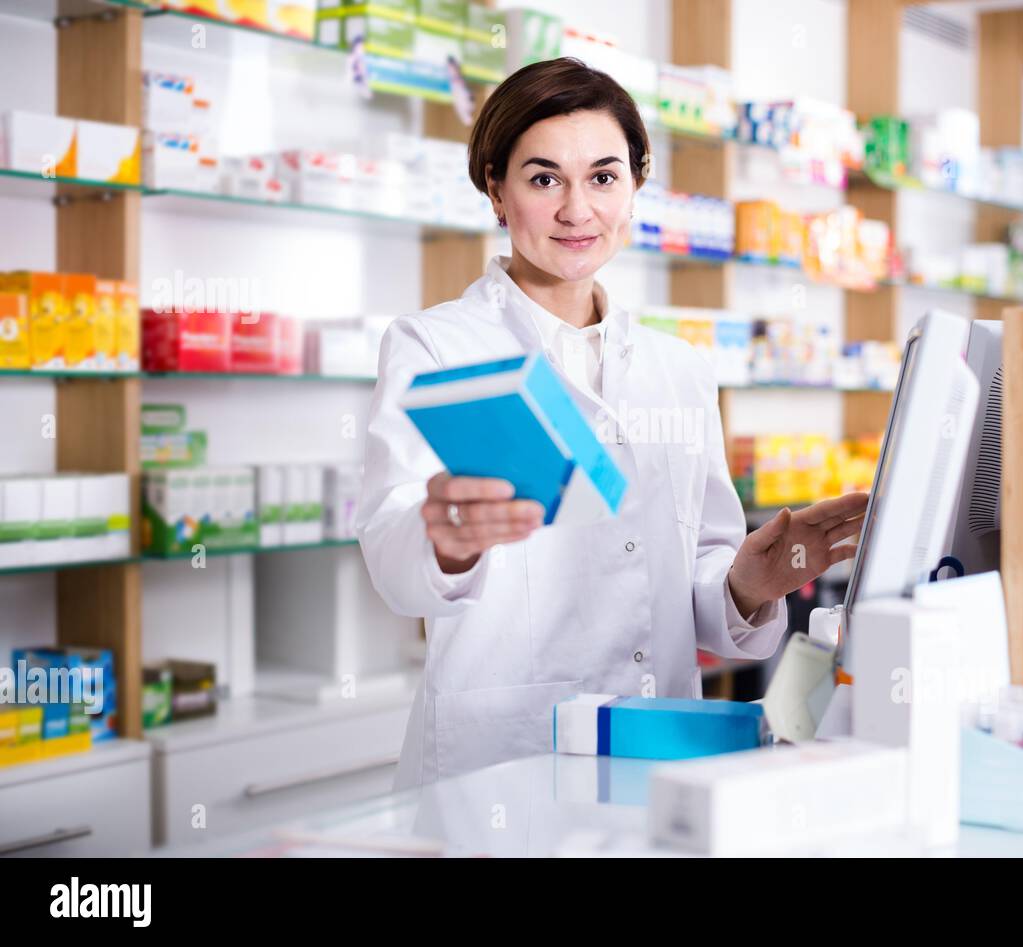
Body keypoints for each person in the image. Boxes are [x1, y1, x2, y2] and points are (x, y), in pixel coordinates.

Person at [357, 57, 867, 787]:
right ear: (496, 190)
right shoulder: (437, 345)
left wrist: (749, 583)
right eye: (543, 179)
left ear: (634, 189)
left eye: (603, 177)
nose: (577, 210)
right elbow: (391, 547)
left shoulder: (680, 368)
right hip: (500, 755)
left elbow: (701, 584)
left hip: (657, 742)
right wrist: (447, 542)